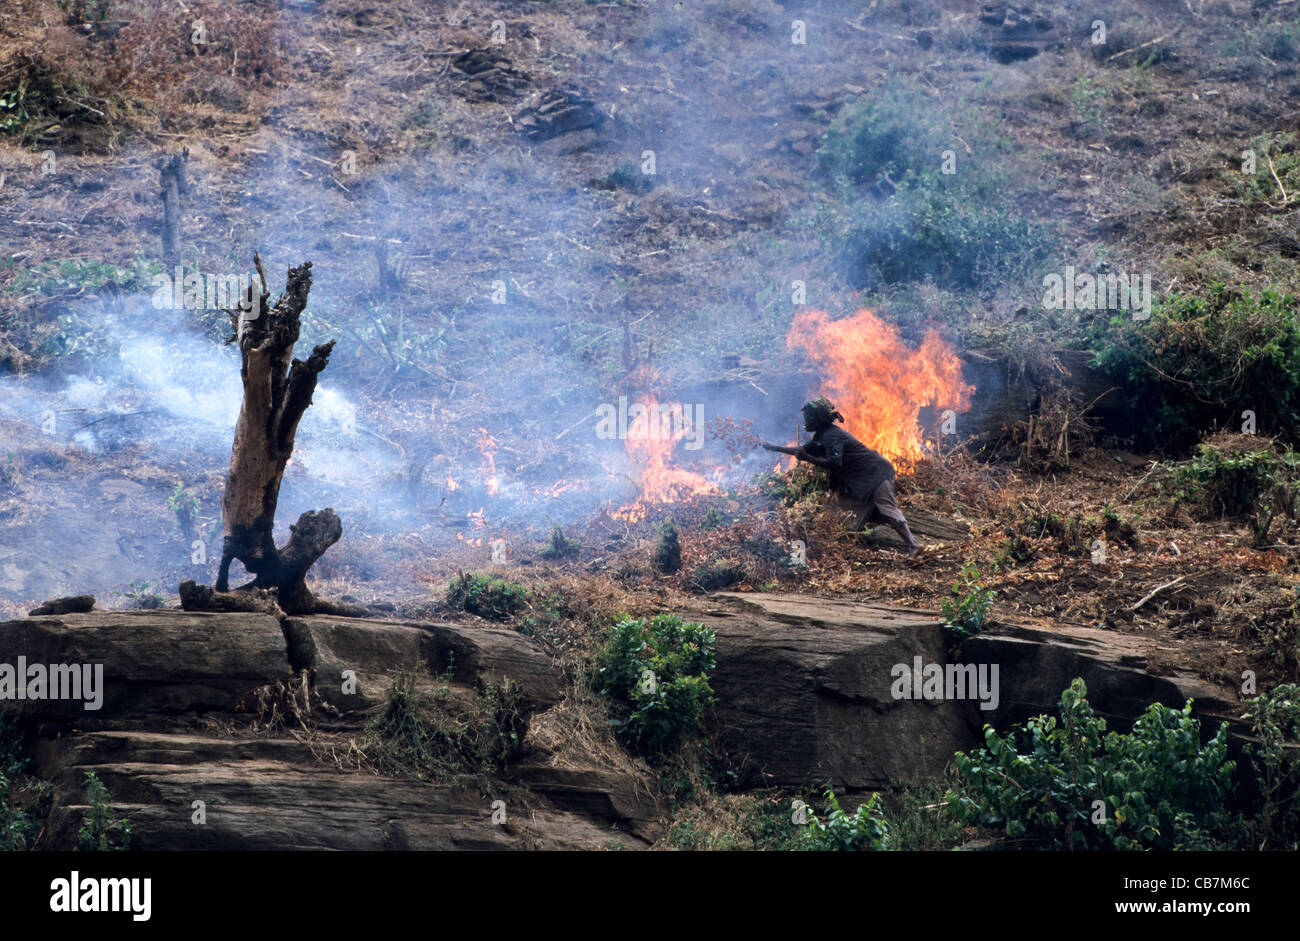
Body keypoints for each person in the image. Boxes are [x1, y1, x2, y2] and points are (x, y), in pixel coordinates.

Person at [762, 397, 922, 558]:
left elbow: (834, 463)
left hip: (876, 473)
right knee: (847, 510)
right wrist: (774, 448)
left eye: (809, 418)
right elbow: (802, 450)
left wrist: (808, 458)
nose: (806, 422)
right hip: (862, 479)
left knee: (887, 509)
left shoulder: (832, 436)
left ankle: (914, 545)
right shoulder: (821, 436)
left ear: (818, 420)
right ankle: (845, 549)